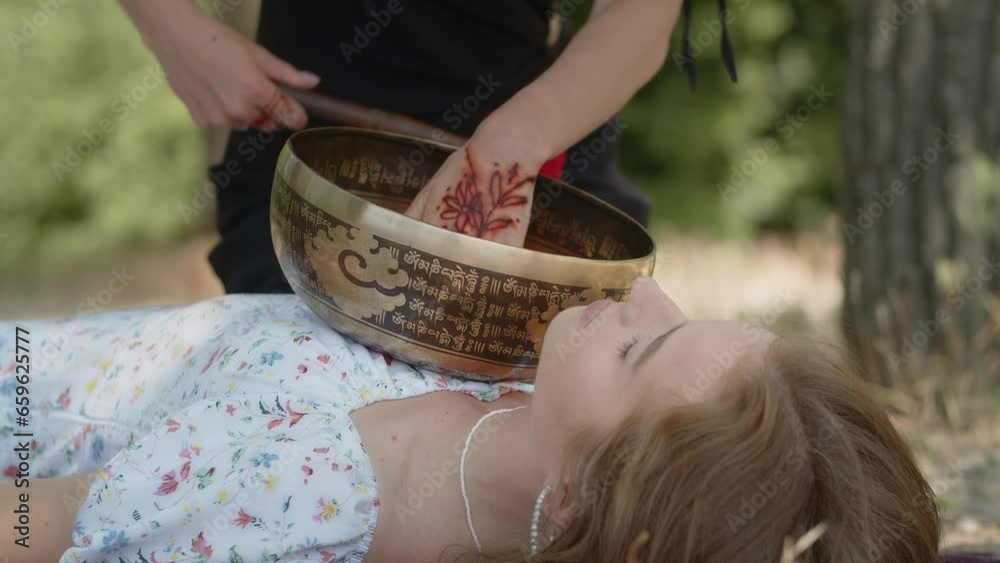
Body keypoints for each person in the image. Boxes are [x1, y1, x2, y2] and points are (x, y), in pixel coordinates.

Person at [1, 277, 939, 562]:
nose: (645, 291)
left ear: (577, 499)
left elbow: (30, 529)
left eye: (639, 349)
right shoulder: (519, 383)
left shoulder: (306, 495)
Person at [115, 0, 736, 294]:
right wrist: (172, 28)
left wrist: (514, 144)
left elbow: (638, 15)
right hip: (314, 171)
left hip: (541, 160)